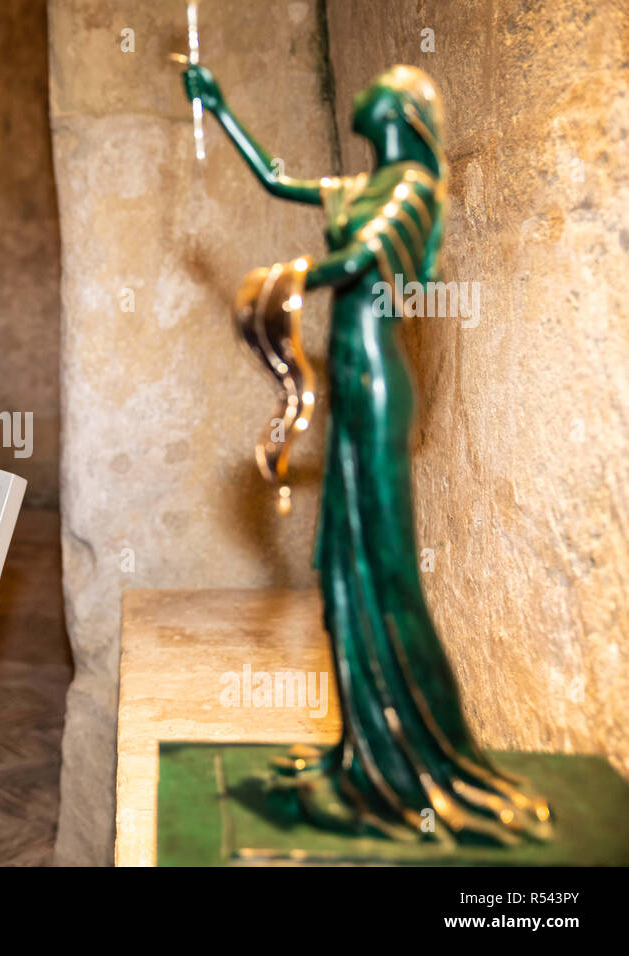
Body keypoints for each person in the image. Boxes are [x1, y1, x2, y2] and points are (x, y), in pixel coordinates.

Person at [184, 63, 551, 844]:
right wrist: (218, 107)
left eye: (391, 82)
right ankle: (367, 758)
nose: (374, 86)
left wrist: (286, 279)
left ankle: (429, 757)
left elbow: (364, 260)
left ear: (403, 111)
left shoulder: (415, 187)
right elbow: (278, 183)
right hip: (349, 382)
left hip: (379, 384)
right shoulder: (360, 185)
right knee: (347, 567)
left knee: (385, 566)